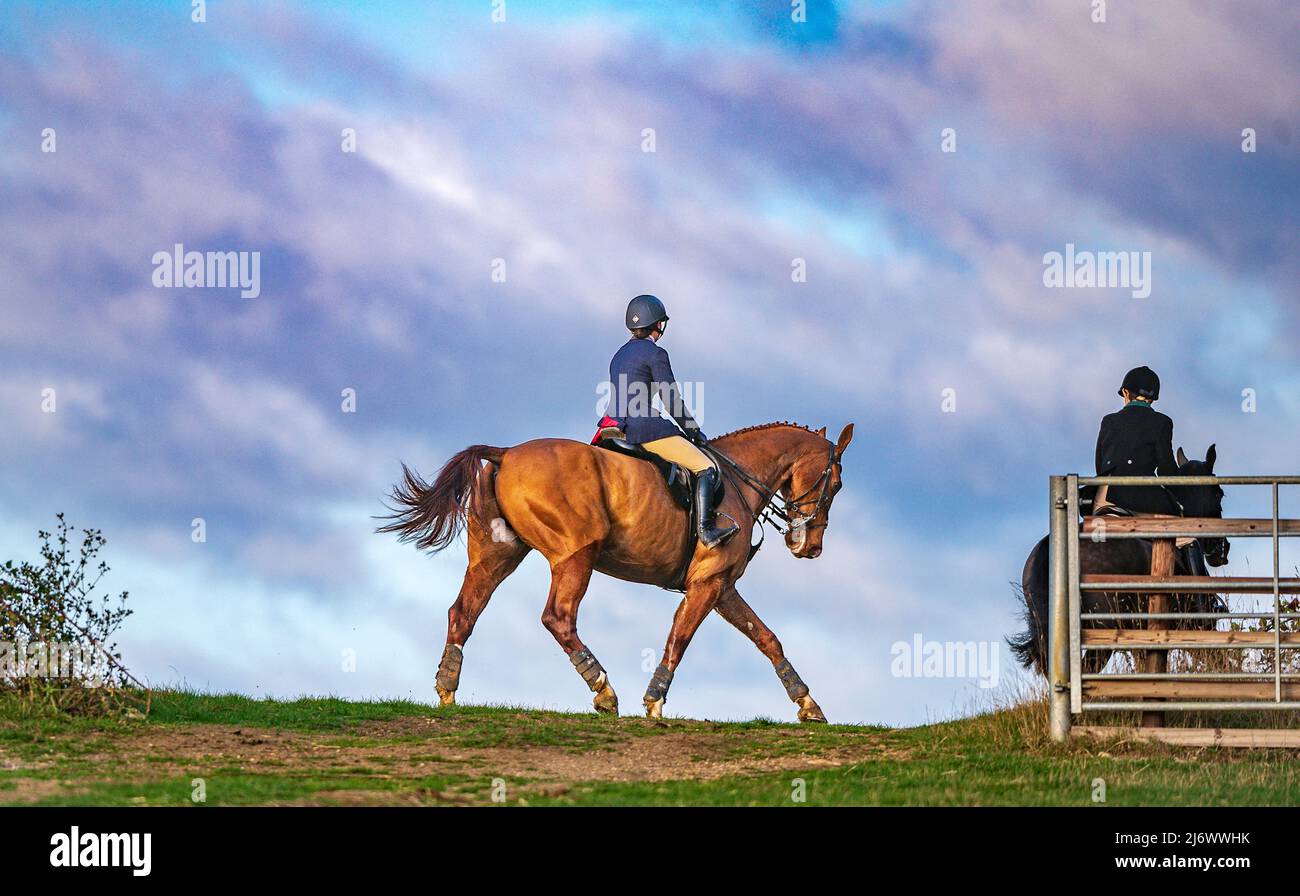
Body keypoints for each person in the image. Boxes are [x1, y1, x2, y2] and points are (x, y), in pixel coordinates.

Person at [605, 295, 737, 548]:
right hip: (644, 428)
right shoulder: (655, 353)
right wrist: (693, 430)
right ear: (658, 325)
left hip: (613, 428)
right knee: (706, 467)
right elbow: (670, 398)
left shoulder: (619, 355)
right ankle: (706, 531)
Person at [1093, 366, 1180, 516]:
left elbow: (1099, 465)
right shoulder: (1162, 422)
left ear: (1126, 392)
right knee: (1181, 532)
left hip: (1104, 496)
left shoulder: (1108, 421)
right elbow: (1166, 469)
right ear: (1152, 398)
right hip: (1143, 497)